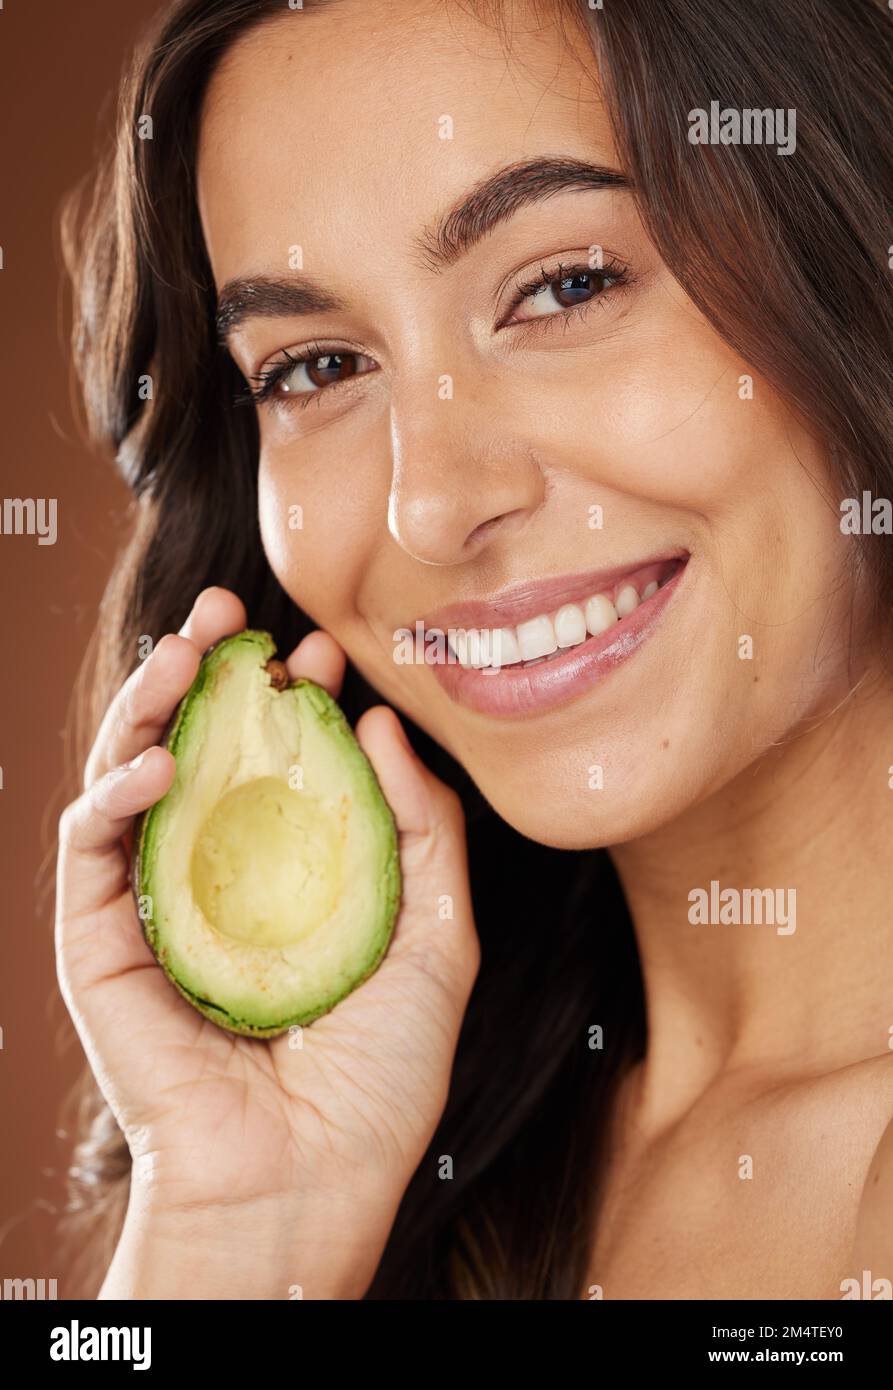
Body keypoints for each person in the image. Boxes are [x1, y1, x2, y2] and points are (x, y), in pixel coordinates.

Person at [56, 0, 893, 1299]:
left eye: (565, 286)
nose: (430, 506)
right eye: (317, 365)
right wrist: (238, 1232)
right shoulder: (431, 1159)